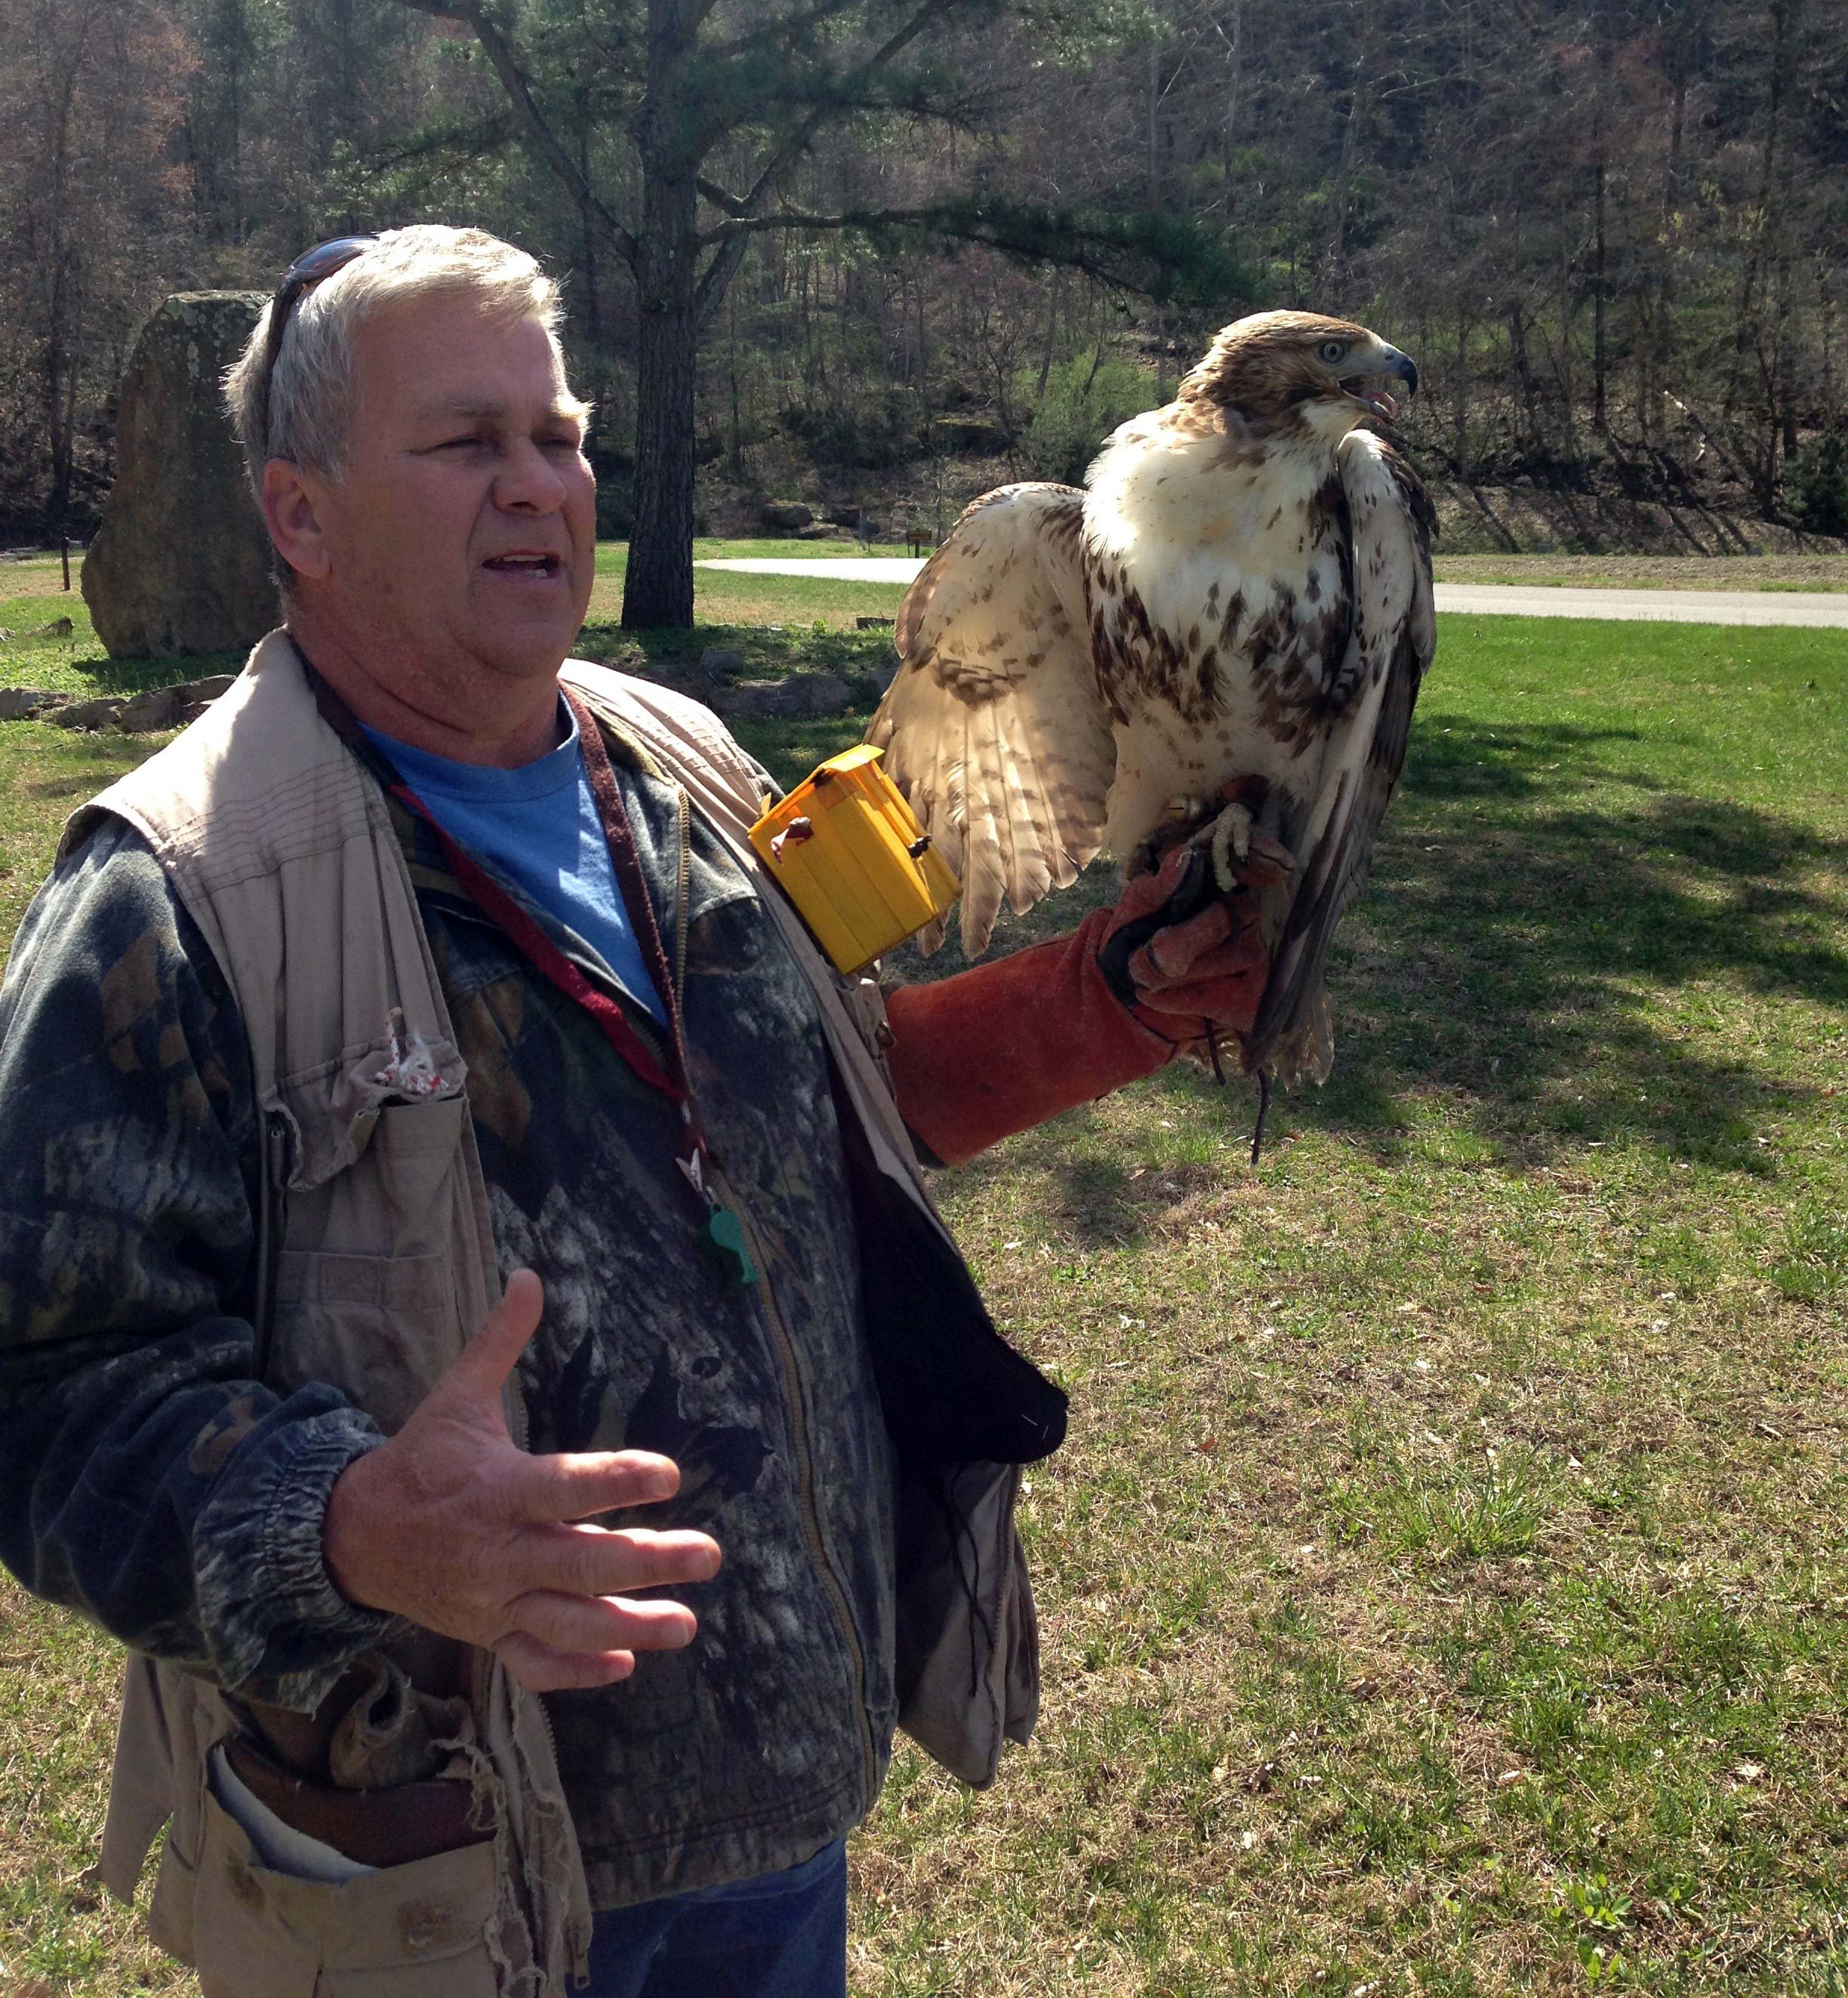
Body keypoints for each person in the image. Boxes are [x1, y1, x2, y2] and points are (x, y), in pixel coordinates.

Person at [0, 226, 1277, 1998]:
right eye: (466, 444)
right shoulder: (176, 893)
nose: (541, 487)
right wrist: (351, 1519)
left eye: (563, 434)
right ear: (298, 515)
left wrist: (1106, 1003)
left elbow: (832, 1111)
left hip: (778, 1814)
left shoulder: (676, 762)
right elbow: (49, 1391)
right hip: (456, 1880)